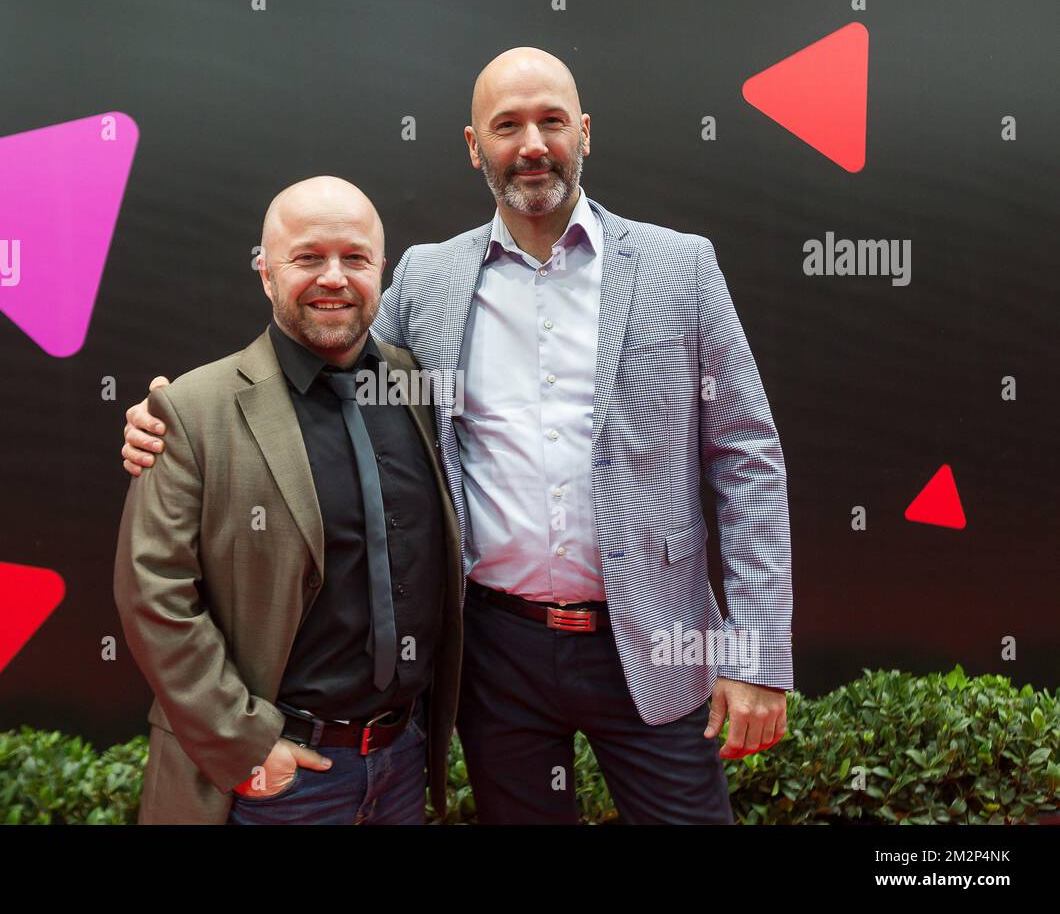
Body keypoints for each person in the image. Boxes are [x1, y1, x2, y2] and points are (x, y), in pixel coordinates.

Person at [122, 48, 792, 824]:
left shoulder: (682, 267)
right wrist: (179, 416)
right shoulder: (428, 277)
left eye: (550, 121)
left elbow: (748, 459)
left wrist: (757, 656)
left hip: (655, 639)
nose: (532, 143)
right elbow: (329, 356)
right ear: (475, 147)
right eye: (506, 125)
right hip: (492, 652)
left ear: (584, 133)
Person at [114, 176, 462, 824]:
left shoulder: (418, 386)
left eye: (355, 258)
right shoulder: (190, 411)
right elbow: (152, 592)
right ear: (265, 272)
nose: (334, 277)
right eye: (308, 257)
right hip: (278, 782)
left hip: (401, 763)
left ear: (381, 270)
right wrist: (250, 747)